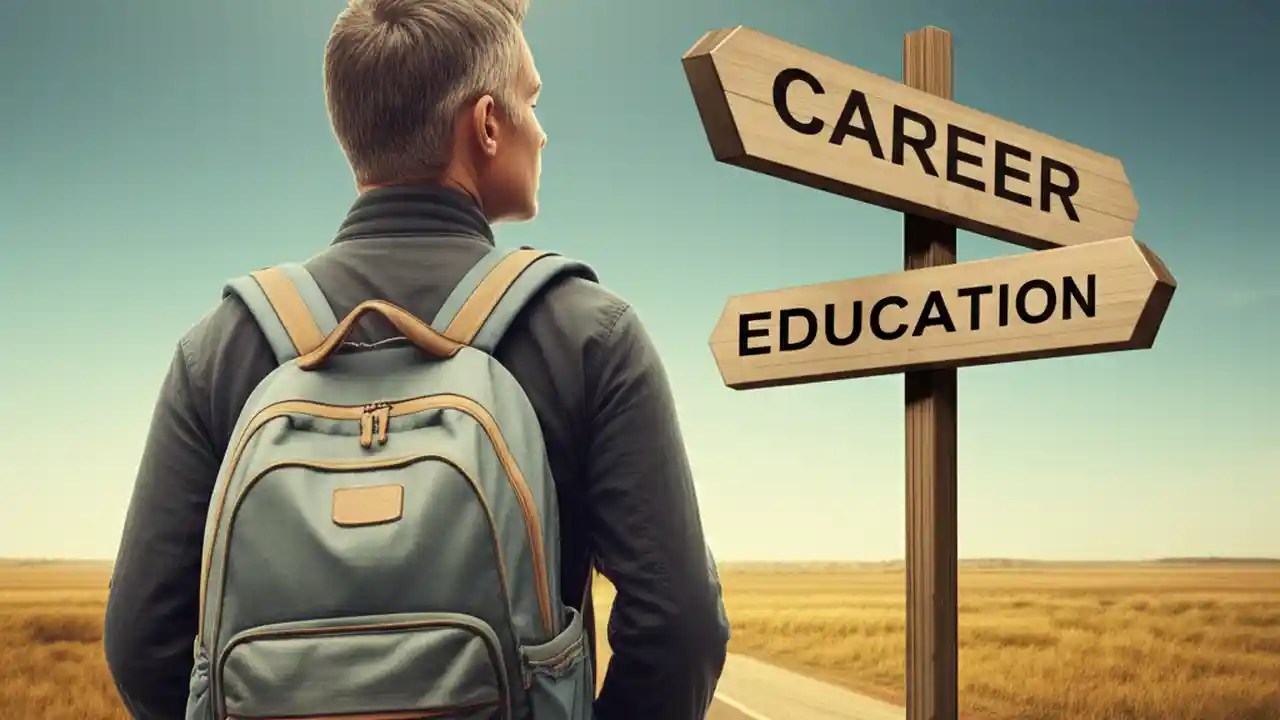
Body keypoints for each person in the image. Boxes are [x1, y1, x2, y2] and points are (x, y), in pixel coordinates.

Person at [102, 0, 729, 718]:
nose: (543, 130)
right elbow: (679, 628)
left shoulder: (220, 349)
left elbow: (141, 642)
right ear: (487, 126)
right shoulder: (588, 333)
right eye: (530, 99)